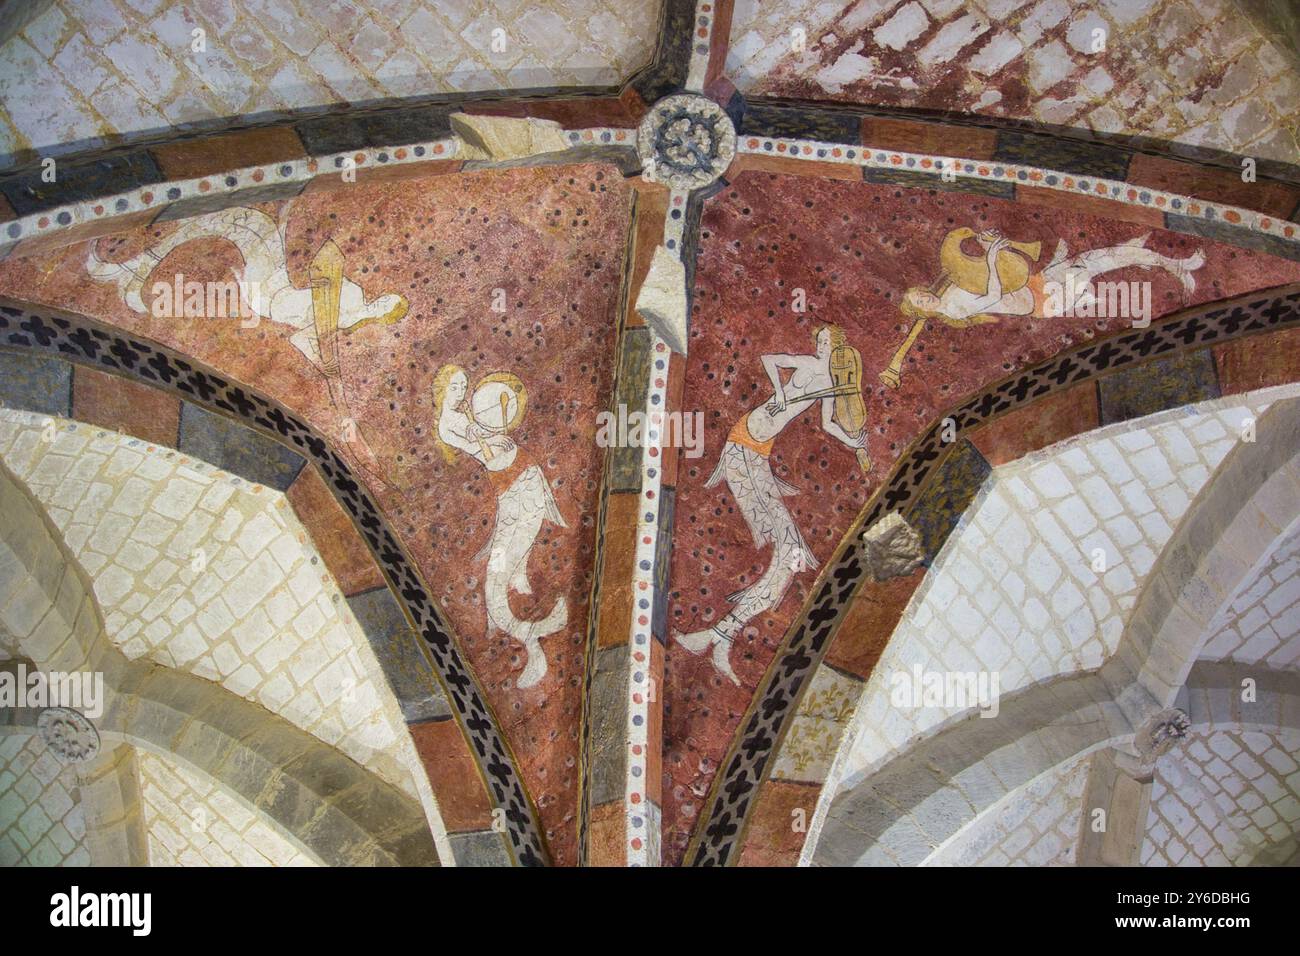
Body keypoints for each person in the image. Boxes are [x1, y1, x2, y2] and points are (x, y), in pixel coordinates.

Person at [675, 325, 869, 684]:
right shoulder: (809, 366)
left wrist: (855, 441)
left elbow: (829, 424)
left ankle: (722, 633)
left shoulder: (828, 383)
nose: (822, 346)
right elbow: (769, 359)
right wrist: (780, 392)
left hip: (756, 454)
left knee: (792, 556)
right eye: (821, 341)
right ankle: (721, 632)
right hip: (742, 446)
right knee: (790, 550)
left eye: (829, 343)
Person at [433, 364, 566, 689]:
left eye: (463, 385)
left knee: (509, 560)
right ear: (440, 391)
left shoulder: (463, 416)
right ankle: (531, 639)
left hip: (524, 483)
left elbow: (495, 438)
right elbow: (489, 446)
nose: (461, 392)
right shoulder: (449, 424)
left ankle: (521, 599)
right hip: (514, 488)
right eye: (454, 387)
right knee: (498, 569)